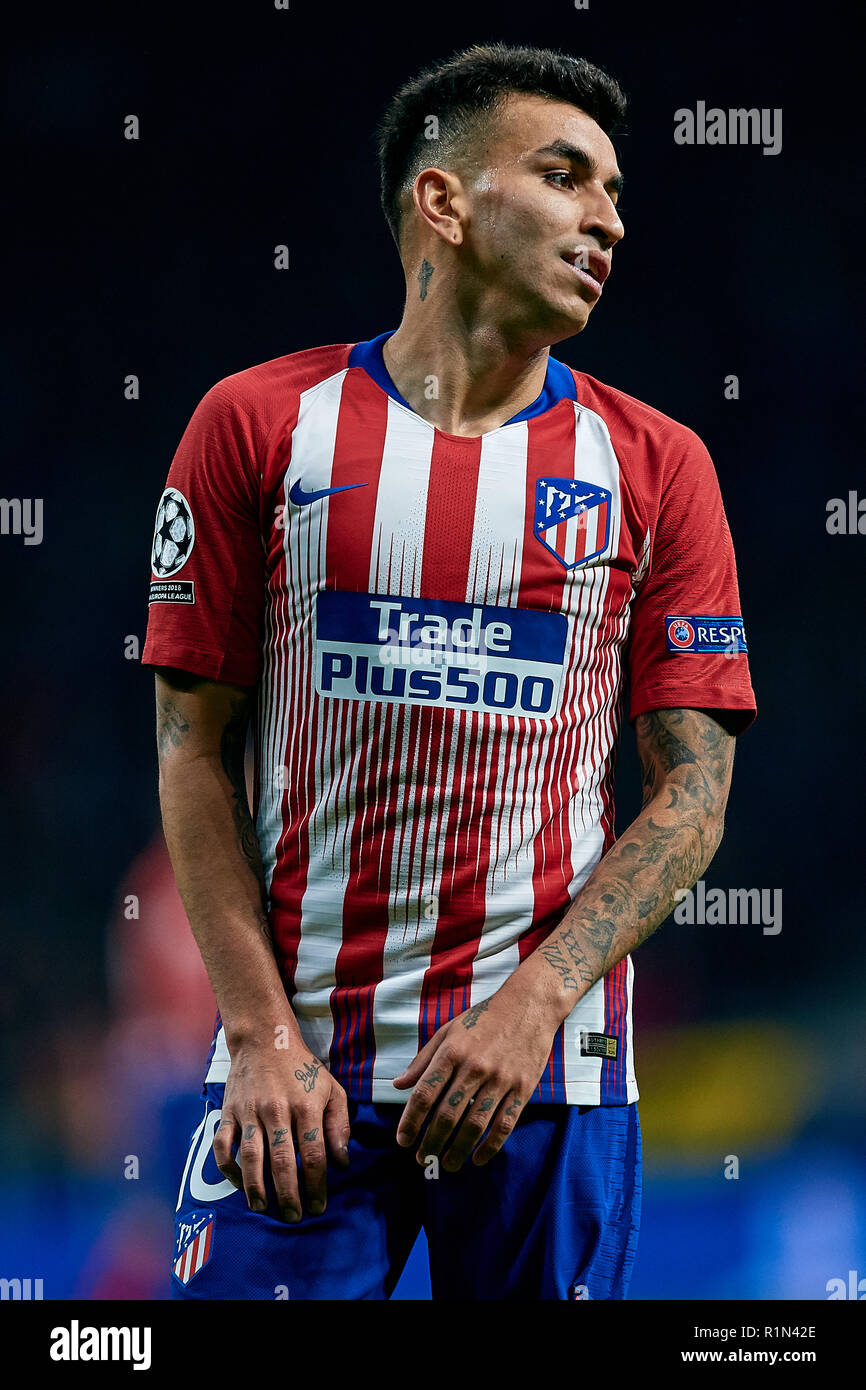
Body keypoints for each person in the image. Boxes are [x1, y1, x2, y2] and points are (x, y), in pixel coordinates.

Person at [143, 43, 756, 1301]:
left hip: (552, 1078)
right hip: (298, 1082)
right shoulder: (255, 425)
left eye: (614, 191)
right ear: (445, 202)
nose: (608, 219)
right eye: (564, 175)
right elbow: (189, 750)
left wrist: (535, 1003)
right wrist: (258, 1034)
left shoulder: (657, 464)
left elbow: (691, 795)